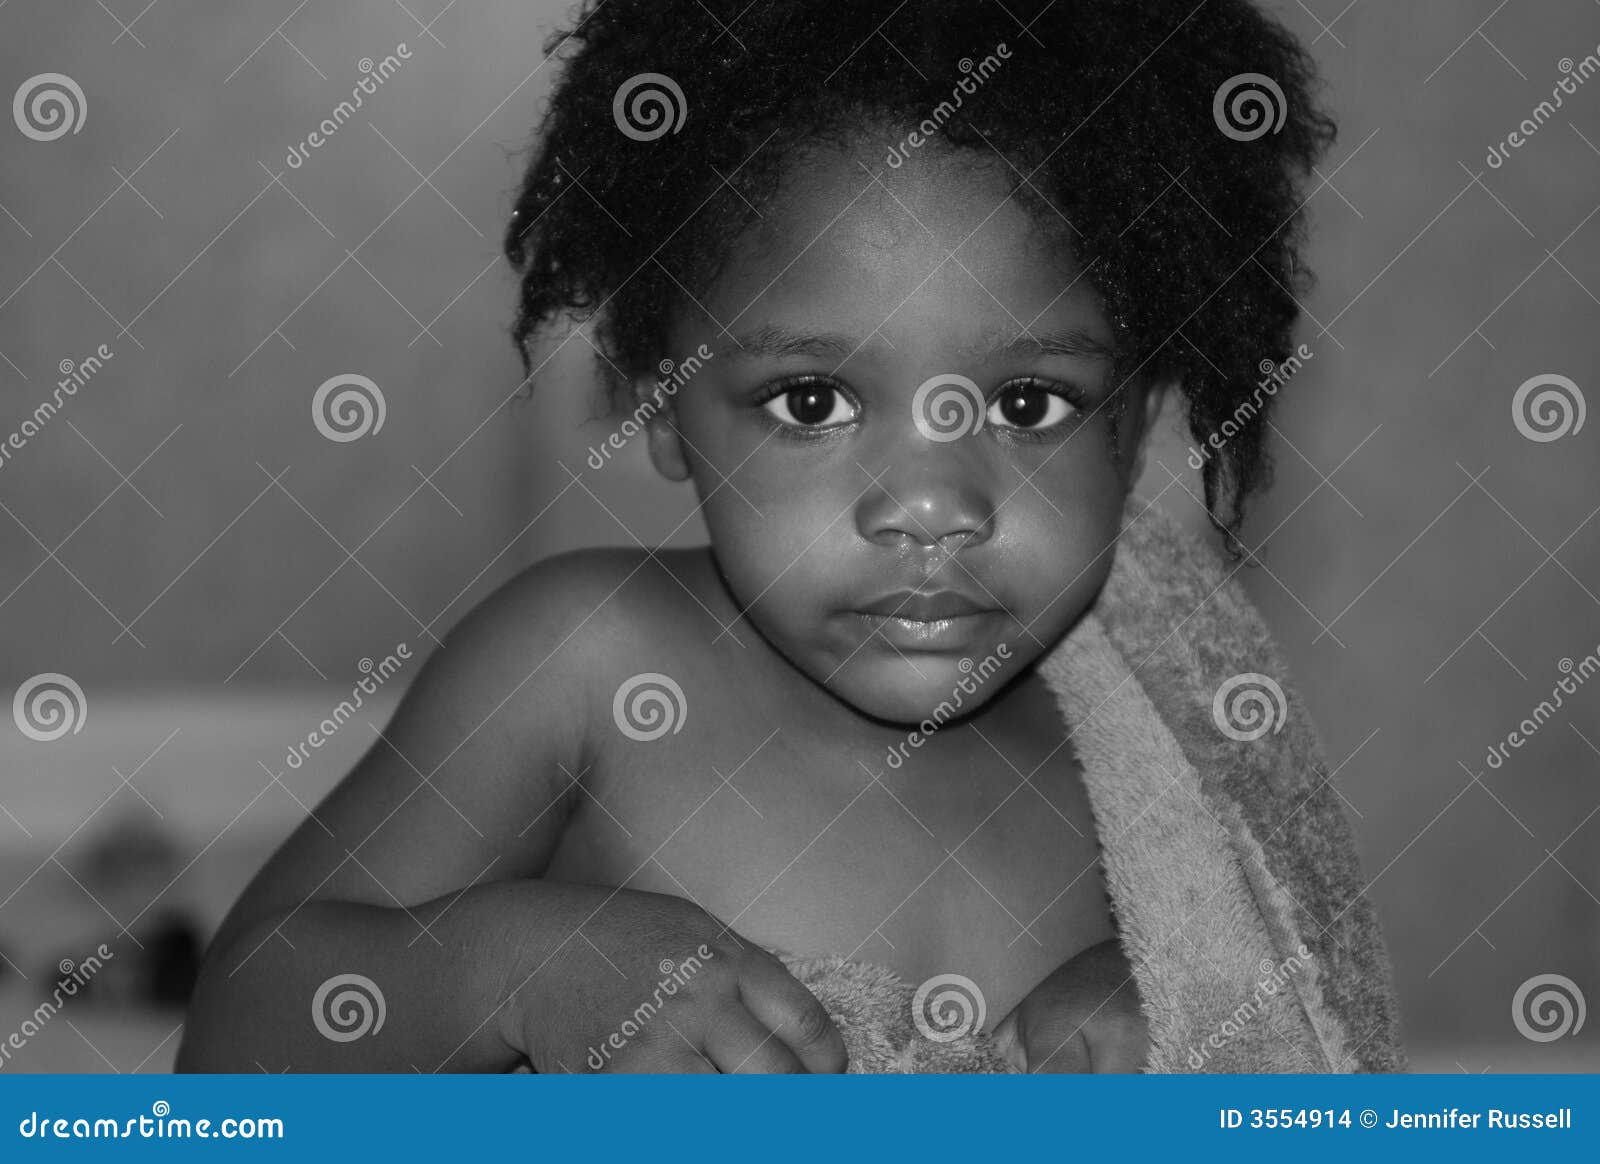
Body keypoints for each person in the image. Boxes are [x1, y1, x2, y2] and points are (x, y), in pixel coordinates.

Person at [178, 0, 1337, 1073]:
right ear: (664, 401)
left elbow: (1310, 1027)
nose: (930, 506)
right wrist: (510, 971)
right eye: (812, 402)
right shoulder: (588, 667)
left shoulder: (1147, 758)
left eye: (1028, 404)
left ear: (1131, 432)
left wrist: (1186, 1005)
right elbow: (233, 1046)